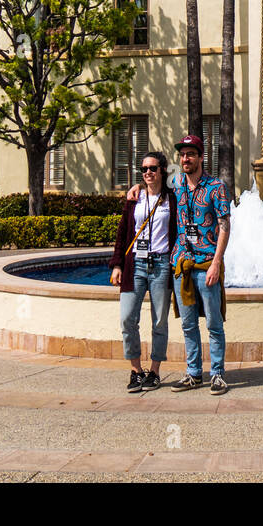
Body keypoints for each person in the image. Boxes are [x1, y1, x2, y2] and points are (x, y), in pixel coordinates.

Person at [129, 134, 229, 394]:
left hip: (207, 264)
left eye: (191, 154)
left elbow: (224, 226)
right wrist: (138, 187)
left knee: (214, 323)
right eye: (183, 154)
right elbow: (153, 187)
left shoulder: (216, 186)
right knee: (187, 323)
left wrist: (217, 262)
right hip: (181, 266)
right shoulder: (175, 185)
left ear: (200, 157)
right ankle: (194, 373)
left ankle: (217, 373)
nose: (186, 158)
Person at [108, 150, 177, 393]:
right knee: (128, 318)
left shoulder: (173, 199)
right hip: (135, 265)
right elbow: (123, 233)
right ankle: (136, 370)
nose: (147, 172)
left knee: (159, 321)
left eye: (152, 168)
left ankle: (155, 371)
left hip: (161, 265)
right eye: (144, 169)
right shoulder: (134, 199)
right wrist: (117, 264)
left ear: (163, 171)